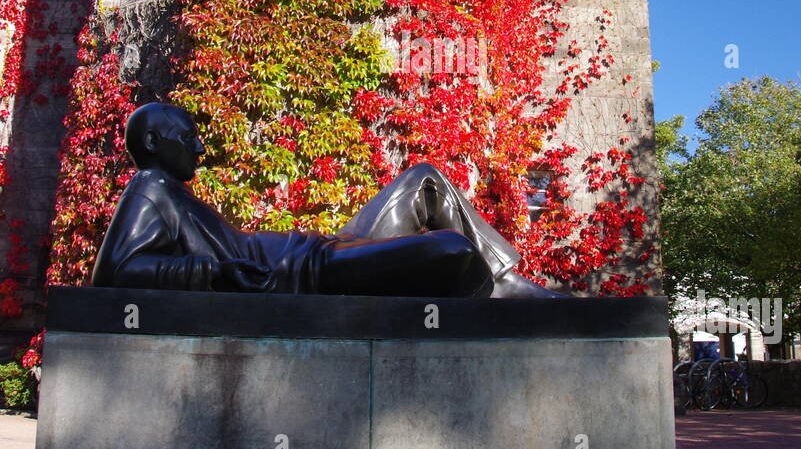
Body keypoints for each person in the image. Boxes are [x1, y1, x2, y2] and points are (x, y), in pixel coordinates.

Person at [92, 103, 568, 299]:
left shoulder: (171, 193)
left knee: (426, 178)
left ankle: (511, 287)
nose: (199, 148)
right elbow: (113, 273)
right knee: (450, 250)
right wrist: (216, 274)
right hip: (308, 271)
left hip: (323, 251)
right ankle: (515, 297)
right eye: (187, 136)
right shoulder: (151, 188)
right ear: (154, 141)